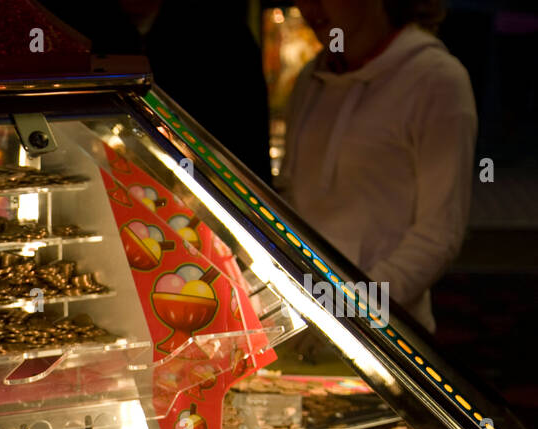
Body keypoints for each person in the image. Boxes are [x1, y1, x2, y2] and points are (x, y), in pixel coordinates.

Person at [279, 0, 476, 335]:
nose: (310, 7)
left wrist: (354, 307)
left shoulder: (436, 80)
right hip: (304, 323)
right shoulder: (312, 78)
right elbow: (287, 197)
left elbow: (439, 235)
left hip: (391, 335)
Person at [40, 0, 273, 182]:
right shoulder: (77, 28)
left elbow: (246, 155)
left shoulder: (220, 35)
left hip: (205, 191)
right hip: (111, 179)